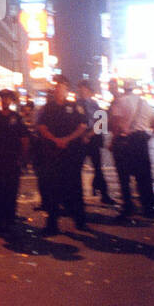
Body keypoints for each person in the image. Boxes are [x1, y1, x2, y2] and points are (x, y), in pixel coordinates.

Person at [35, 76, 88, 234]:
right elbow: (42, 127)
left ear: (67, 89)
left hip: (71, 153)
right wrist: (55, 140)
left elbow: (82, 126)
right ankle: (52, 223)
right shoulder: (47, 108)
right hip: (53, 153)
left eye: (62, 87)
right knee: (53, 189)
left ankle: (80, 220)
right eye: (57, 87)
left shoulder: (75, 107)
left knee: (75, 187)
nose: (59, 89)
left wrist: (67, 139)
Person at [0, 89, 30, 235]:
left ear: (11, 101)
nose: (5, 101)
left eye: (7, 99)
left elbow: (24, 140)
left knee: (11, 191)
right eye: (3, 99)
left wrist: (22, 159)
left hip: (12, 160)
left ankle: (9, 220)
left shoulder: (17, 118)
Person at [109, 81, 154, 220]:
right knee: (144, 176)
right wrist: (148, 138)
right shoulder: (144, 102)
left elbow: (116, 124)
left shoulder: (120, 101)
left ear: (123, 88)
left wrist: (113, 141)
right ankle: (149, 208)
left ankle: (128, 207)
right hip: (141, 140)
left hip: (125, 141)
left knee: (124, 177)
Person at [75, 80, 112, 205]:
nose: (81, 91)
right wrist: (82, 135)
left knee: (98, 167)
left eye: (83, 88)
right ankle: (77, 197)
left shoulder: (95, 104)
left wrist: (90, 135)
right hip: (80, 139)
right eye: (79, 89)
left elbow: (101, 122)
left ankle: (104, 194)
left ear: (88, 90)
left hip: (93, 138)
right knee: (76, 169)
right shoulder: (75, 105)